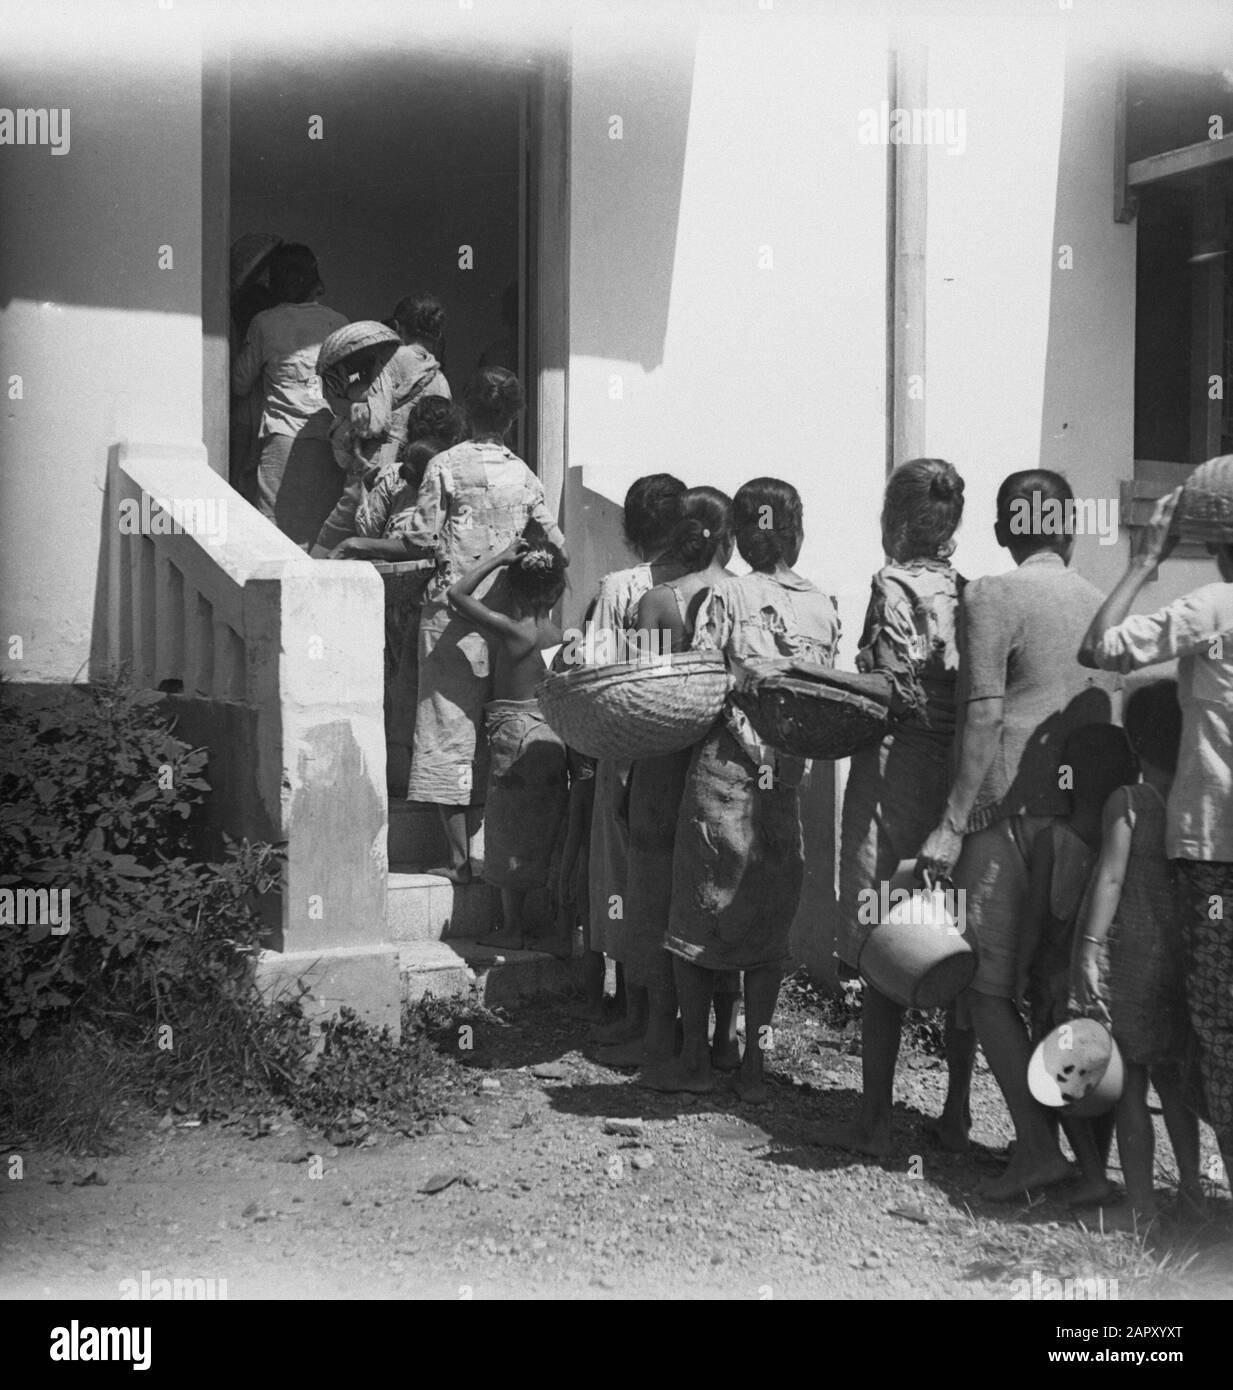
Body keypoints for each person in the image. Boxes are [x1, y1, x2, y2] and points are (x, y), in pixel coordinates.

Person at [917, 469, 1117, 1201]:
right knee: (1057, 996)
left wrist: (949, 823)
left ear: (1003, 530)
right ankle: (1090, 1169)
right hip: (1082, 825)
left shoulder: (990, 594)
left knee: (985, 989)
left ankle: (1036, 1152)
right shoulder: (1099, 600)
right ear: (1069, 527)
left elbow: (983, 715)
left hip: (1004, 816)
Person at [644, 479, 840, 1103]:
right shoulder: (824, 606)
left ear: (740, 538)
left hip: (724, 774)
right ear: (796, 534)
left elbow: (702, 684)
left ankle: (695, 1060)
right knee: (767, 926)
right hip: (783, 782)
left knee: (697, 915)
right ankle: (751, 1064)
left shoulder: (726, 595)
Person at [1078, 480, 1233, 1198]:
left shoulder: (1213, 608)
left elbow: (1100, 647)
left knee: (1219, 1037)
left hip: (1216, 857)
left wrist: (1144, 562)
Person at [825, 457, 977, 1157]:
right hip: (955, 773)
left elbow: (891, 684)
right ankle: (955, 1111)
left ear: (895, 517)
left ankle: (875, 1116)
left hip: (897, 768)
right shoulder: (970, 593)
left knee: (882, 922)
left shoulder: (890, 585)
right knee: (950, 928)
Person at [401, 368, 566, 883]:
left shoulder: (444, 466)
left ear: (466, 411)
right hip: (508, 621)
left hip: (452, 619)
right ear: (513, 418)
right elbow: (557, 545)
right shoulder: (526, 477)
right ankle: (495, 853)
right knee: (502, 732)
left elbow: (421, 537)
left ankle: (458, 860)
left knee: (447, 728)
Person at [597, 487, 741, 1071]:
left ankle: (657, 1035)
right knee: (718, 898)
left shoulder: (660, 602)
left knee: (652, 897)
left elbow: (647, 693)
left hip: (664, 763)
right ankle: (724, 1038)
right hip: (725, 768)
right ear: (730, 537)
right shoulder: (745, 596)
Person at [1069, 681, 1204, 1231]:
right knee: (1175, 1087)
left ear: (1134, 743)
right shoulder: (1195, 807)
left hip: (1132, 961)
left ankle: (1141, 1205)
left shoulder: (1128, 803)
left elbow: (1110, 879)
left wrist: (1087, 950)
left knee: (1129, 1086)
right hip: (1182, 962)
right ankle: (1193, 1191)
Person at [584, 475, 688, 1047]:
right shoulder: (701, 586)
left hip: (627, 747)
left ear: (630, 529)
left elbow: (599, 673)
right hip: (685, 749)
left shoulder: (621, 587)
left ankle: (632, 1007)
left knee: (622, 882)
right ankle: (680, 1016)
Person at [1019, 722, 1137, 1207]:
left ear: (1066, 777)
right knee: (1099, 1075)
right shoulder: (1123, 840)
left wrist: (1020, 970)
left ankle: (1088, 1173)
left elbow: (1034, 918)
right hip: (1104, 981)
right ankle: (1097, 1164)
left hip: (1055, 982)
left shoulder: (1052, 840)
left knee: (1059, 1079)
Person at [446, 538, 570, 950]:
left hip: (514, 740)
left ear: (514, 590)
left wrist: (499, 559)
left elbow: (457, 595)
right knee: (546, 829)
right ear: (557, 591)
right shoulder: (562, 638)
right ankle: (551, 925)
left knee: (508, 829)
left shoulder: (514, 631)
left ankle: (512, 928)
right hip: (551, 738)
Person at [230, 243, 348, 547]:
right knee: (320, 536)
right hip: (329, 442)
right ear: (315, 281)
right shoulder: (339, 323)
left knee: (274, 537)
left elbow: (239, 383)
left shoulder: (264, 323)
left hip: (282, 440)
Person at [228, 232, 282, 505]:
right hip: (248, 410)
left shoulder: (271, 313)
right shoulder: (251, 309)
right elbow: (240, 381)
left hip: (261, 409)